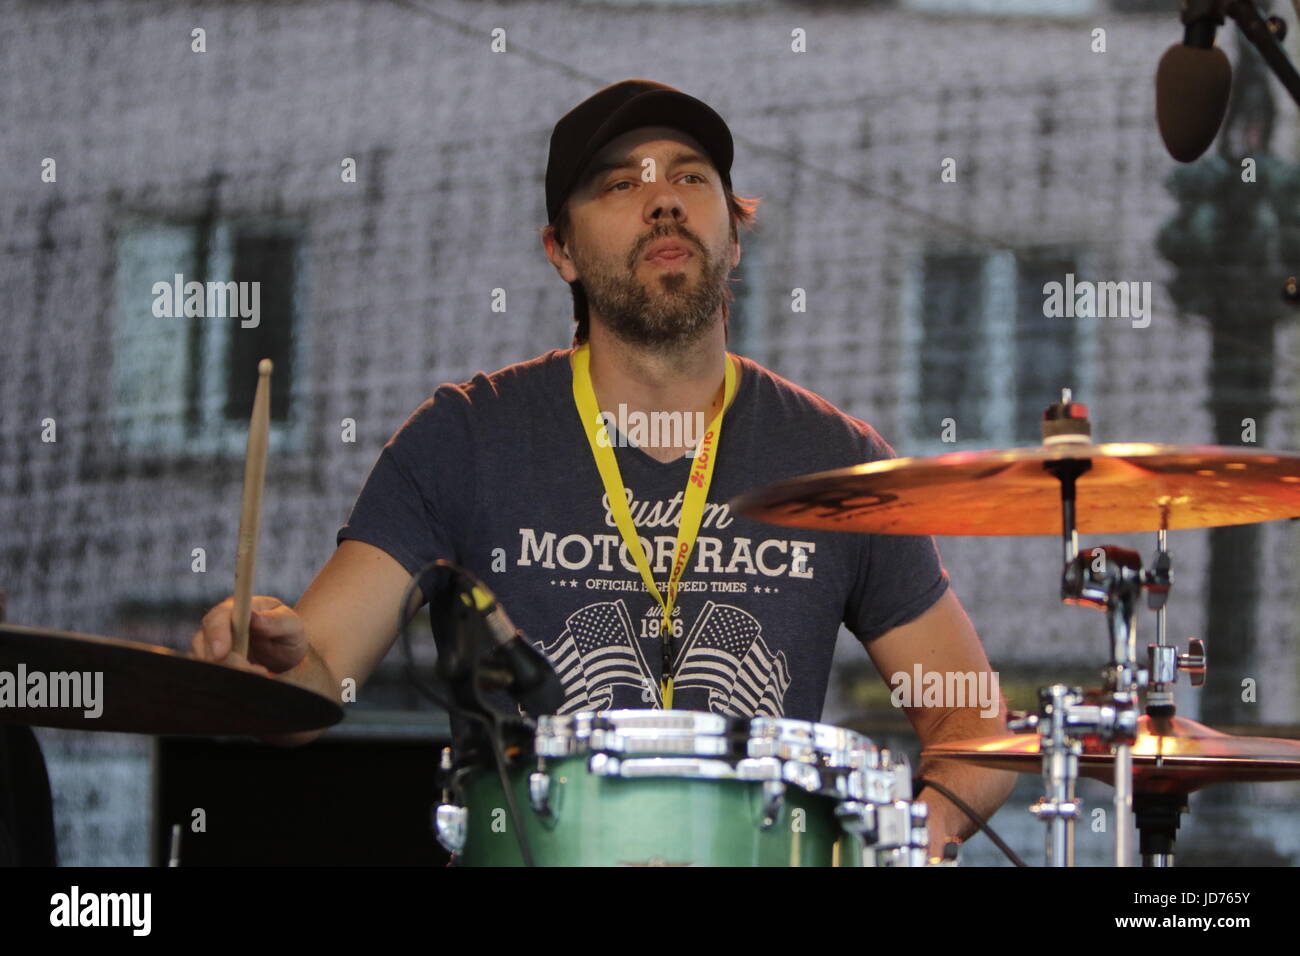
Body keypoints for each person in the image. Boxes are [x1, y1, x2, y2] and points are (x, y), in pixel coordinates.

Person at [192, 79, 1015, 858]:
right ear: (561, 251)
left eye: (691, 177)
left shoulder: (835, 460)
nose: (664, 198)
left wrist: (901, 846)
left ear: (734, 229)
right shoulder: (465, 437)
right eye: (620, 185)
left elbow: (976, 729)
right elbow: (318, 681)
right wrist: (270, 661)